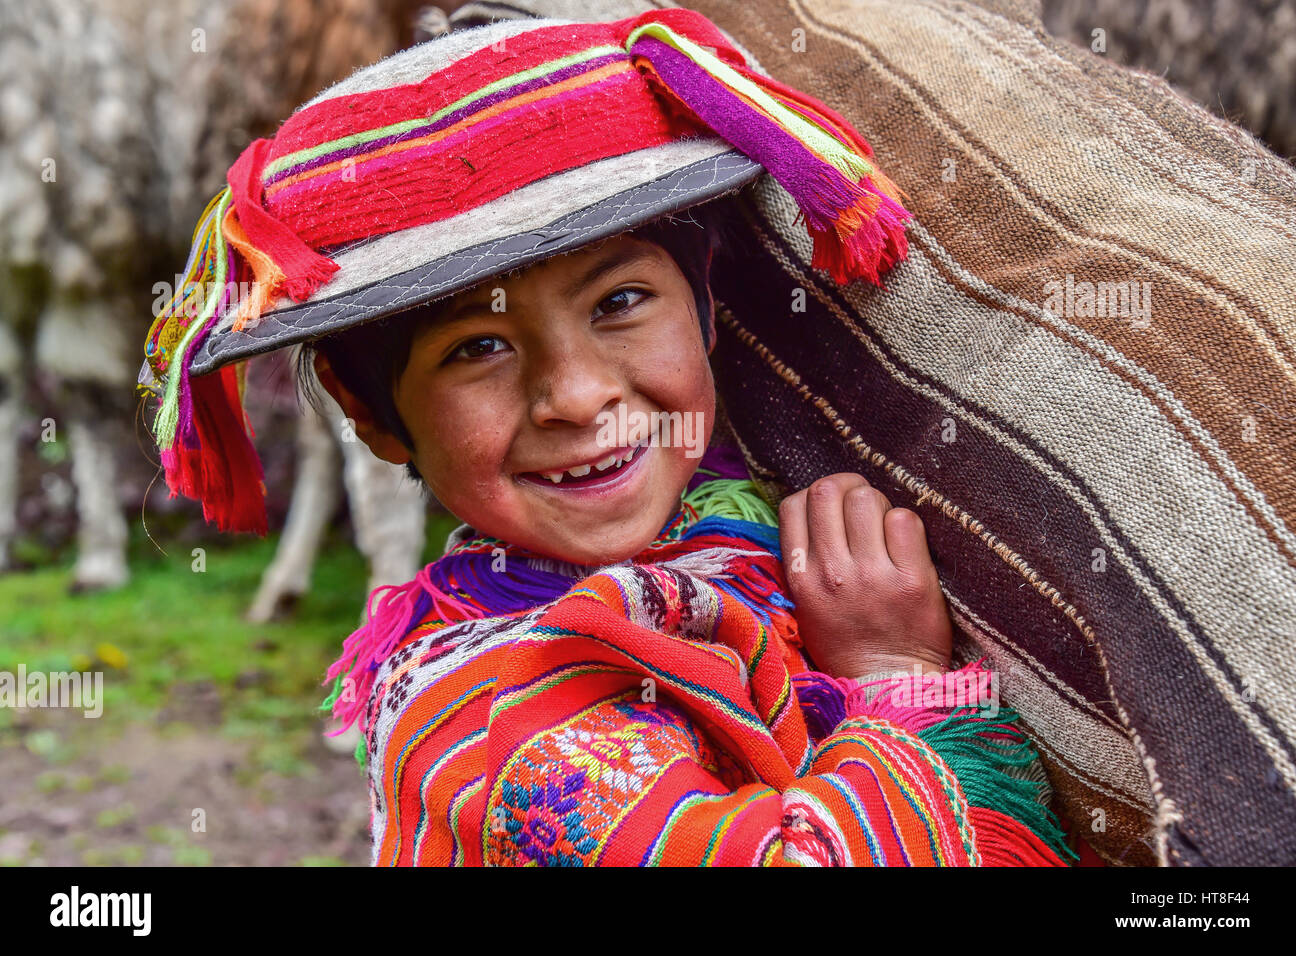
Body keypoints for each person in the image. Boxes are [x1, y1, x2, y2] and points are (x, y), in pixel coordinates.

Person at [140, 7, 1071, 866]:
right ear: (371, 412)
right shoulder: (492, 725)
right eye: (478, 347)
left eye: (620, 301)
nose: (576, 397)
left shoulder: (731, 523)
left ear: (706, 305)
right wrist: (895, 678)